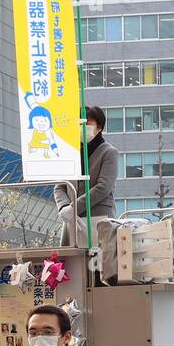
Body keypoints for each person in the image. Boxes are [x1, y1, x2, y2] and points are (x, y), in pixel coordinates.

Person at [53, 105, 119, 248]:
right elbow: (59, 187)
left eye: (87, 124)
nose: (82, 127)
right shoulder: (70, 152)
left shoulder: (109, 152)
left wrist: (74, 207)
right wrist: (64, 207)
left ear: (99, 127)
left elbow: (103, 187)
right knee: (70, 265)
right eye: (79, 124)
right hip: (72, 221)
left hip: (98, 217)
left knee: (99, 265)